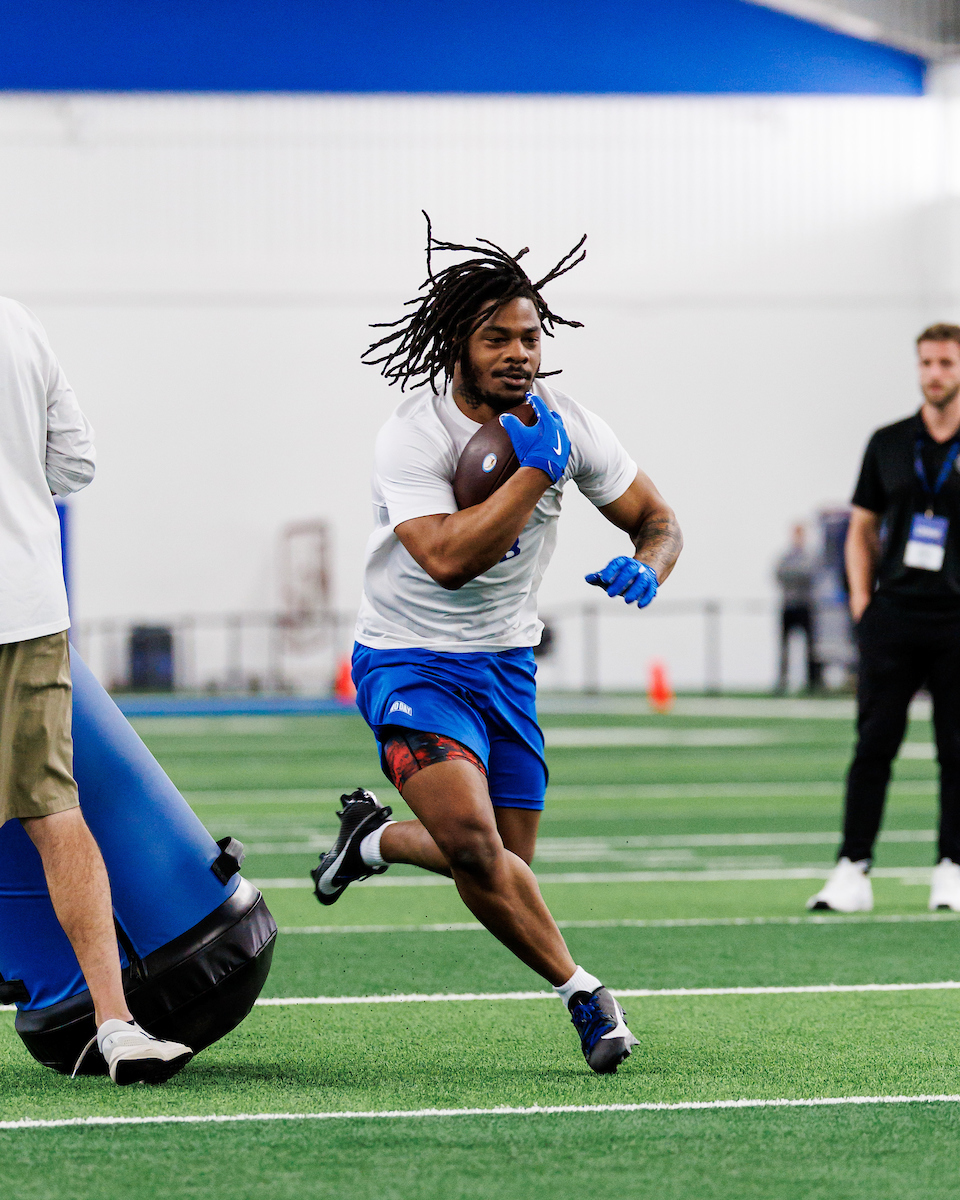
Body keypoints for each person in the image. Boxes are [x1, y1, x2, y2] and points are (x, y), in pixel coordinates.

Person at [311, 221, 682, 1074]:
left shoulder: (573, 426)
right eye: (497, 338)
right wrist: (531, 474)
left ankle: (369, 841)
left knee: (502, 863)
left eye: (529, 335)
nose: (520, 353)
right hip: (408, 658)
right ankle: (584, 993)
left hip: (505, 667)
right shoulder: (411, 436)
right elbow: (445, 560)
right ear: (457, 346)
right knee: (478, 849)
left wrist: (649, 567)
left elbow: (659, 521)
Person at [0, 297, 192, 1084]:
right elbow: (74, 466)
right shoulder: (20, 323)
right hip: (26, 604)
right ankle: (116, 1024)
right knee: (56, 813)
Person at [808, 323, 960, 914]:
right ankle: (853, 869)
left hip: (956, 618)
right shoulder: (890, 441)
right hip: (894, 613)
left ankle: (951, 867)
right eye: (927, 362)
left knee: (957, 747)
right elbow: (861, 526)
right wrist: (861, 602)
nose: (935, 374)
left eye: (946, 363)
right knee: (873, 743)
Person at [774, 523, 820, 693]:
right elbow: (779, 574)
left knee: (810, 647)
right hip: (788, 605)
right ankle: (782, 681)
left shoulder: (809, 556)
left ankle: (812, 682)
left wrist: (793, 575)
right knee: (784, 646)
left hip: (805, 605)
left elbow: (810, 573)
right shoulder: (785, 556)